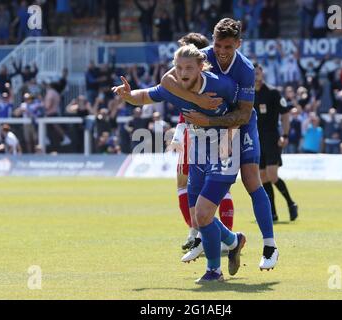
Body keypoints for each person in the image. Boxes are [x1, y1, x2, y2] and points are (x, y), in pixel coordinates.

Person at [113, 44, 246, 283]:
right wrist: (128, 95)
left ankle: (214, 271)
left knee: (204, 214)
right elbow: (144, 96)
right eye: (178, 67)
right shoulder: (173, 87)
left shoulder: (221, 85)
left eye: (188, 67)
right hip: (197, 155)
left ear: (200, 67)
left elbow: (243, 112)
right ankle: (234, 241)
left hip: (225, 153)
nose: (182, 72)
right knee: (199, 217)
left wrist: (227, 135)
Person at [161, 18, 278, 271]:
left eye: (228, 47)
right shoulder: (201, 57)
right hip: (209, 129)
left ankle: (270, 246)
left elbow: (244, 114)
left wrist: (207, 117)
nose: (222, 53)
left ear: (238, 44)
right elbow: (167, 81)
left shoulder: (245, 69)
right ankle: (217, 239)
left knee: (251, 179)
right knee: (199, 184)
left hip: (240, 126)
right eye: (218, 46)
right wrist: (199, 103)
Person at [171, 32, 236, 251]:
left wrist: (180, 135)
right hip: (215, 130)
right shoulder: (216, 75)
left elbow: (185, 106)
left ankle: (197, 234)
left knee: (186, 183)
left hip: (198, 132)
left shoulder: (192, 77)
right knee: (218, 185)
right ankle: (213, 236)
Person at [254, 63, 298, 222]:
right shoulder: (248, 93)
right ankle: (272, 212)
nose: (255, 76)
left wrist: (285, 135)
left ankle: (291, 203)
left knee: (272, 175)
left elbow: (285, 114)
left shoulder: (273, 93)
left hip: (272, 139)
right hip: (256, 141)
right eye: (253, 73)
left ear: (262, 74)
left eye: (257, 73)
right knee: (263, 177)